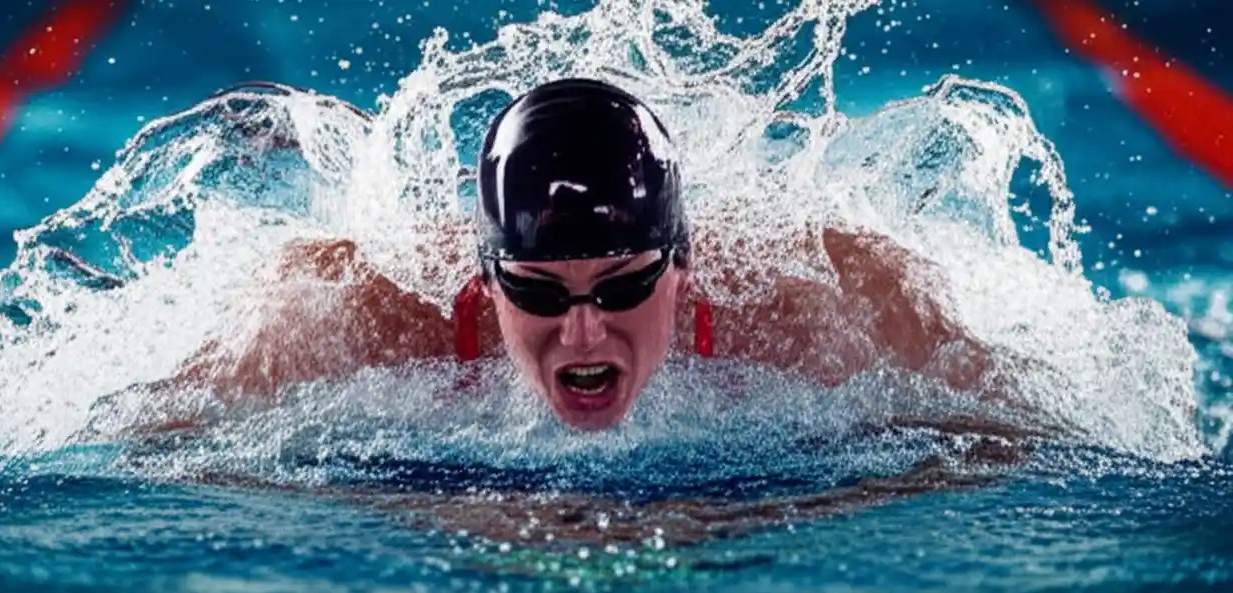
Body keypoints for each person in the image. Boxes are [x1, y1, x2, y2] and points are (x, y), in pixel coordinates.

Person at [162, 78, 1001, 432]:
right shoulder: (353, 314)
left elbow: (1018, 439)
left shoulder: (823, 304)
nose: (585, 334)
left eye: (624, 284)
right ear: (481, 278)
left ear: (682, 265)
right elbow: (156, 447)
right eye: (537, 293)